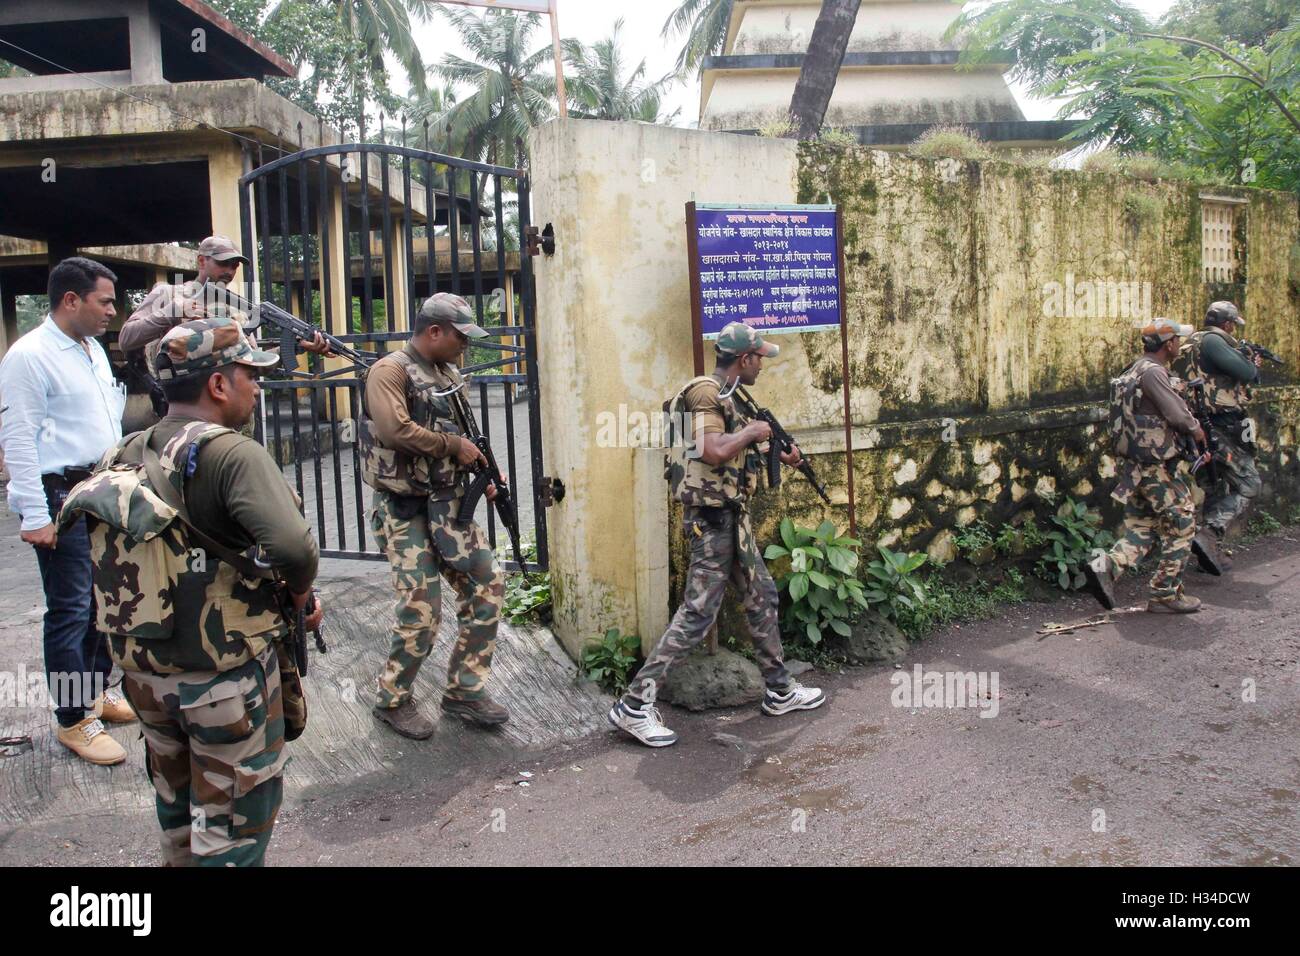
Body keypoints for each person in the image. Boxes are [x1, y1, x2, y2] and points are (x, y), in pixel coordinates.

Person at [59, 316, 322, 866]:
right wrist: (299, 597)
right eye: (249, 373)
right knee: (233, 830)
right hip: (222, 679)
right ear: (218, 384)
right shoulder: (232, 453)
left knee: (178, 812)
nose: (256, 386)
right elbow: (294, 548)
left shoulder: (122, 451)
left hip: (144, 675)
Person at [608, 321, 826, 748]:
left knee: (762, 596)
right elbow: (711, 449)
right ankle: (634, 705)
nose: (763, 364)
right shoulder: (705, 391)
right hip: (711, 520)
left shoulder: (731, 397)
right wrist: (752, 433)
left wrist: (779, 452)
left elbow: (731, 451)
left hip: (731, 517)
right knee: (697, 614)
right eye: (759, 357)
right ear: (744, 359)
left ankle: (780, 690)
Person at [0, 257, 134, 765]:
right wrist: (35, 515)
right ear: (71, 300)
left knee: (105, 605)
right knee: (72, 609)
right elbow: (18, 439)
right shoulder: (30, 357)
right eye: (104, 301)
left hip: (100, 493)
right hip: (62, 500)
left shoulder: (91, 350)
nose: (112, 311)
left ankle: (97, 693)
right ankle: (74, 719)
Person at [360, 293, 509, 739]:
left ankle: (464, 690)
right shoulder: (388, 372)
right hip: (403, 509)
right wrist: (453, 448)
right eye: (461, 336)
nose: (466, 345)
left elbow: (464, 433)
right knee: (422, 608)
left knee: (488, 583)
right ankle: (393, 700)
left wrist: (484, 467)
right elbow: (394, 430)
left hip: (448, 504)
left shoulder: (449, 372)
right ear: (434, 332)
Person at [117, 235, 328, 424]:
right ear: (202, 260)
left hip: (228, 417)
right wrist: (170, 313)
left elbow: (254, 366)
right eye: (223, 263)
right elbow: (126, 339)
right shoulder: (168, 295)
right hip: (181, 414)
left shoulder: (236, 309)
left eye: (234, 266)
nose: (229, 271)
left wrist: (296, 347)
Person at [1084, 318, 1206, 614]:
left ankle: (1105, 567)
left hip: (1137, 466)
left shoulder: (1134, 369)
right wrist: (1197, 430)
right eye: (1178, 339)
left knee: (1146, 526)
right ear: (1169, 345)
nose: (1181, 343)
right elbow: (1176, 414)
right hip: (1156, 468)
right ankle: (1165, 594)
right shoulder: (1153, 373)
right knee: (1182, 523)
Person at [1173, 300, 1261, 572]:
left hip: (1195, 425)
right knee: (1249, 483)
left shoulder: (1190, 342)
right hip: (1218, 425)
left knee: (1215, 485)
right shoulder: (1213, 341)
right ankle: (1210, 533)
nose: (1233, 329)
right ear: (1227, 324)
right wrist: (1251, 362)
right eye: (1233, 325)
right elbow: (1248, 373)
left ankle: (1209, 553)